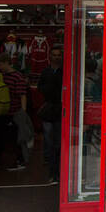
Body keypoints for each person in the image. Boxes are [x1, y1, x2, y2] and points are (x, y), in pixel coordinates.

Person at [0, 54, 31, 171]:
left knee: (19, 138)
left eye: (0, 64)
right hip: (6, 111)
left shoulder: (17, 76)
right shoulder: (2, 76)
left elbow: (22, 95)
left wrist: (22, 112)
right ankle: (15, 160)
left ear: (6, 62)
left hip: (16, 111)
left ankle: (20, 161)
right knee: (11, 138)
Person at [38, 46, 63, 185]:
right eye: (54, 54)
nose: (56, 57)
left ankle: (57, 172)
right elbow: (40, 88)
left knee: (58, 143)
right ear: (50, 56)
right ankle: (52, 170)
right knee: (49, 141)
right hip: (49, 109)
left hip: (59, 109)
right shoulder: (46, 71)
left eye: (58, 54)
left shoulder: (64, 71)